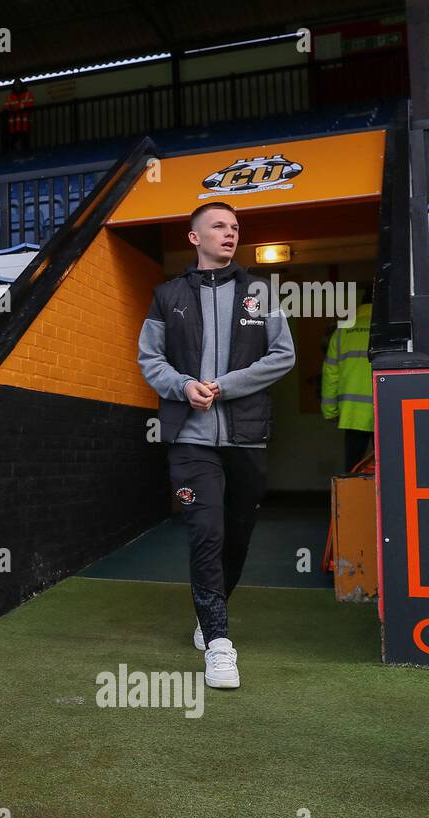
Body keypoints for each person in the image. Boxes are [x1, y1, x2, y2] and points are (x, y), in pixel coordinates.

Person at [136, 201, 296, 690]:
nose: (230, 234)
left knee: (238, 533)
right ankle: (220, 641)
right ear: (195, 238)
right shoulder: (167, 297)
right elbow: (149, 359)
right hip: (189, 436)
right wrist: (184, 386)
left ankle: (210, 614)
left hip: (247, 434)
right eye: (219, 227)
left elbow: (282, 356)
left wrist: (223, 385)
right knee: (205, 529)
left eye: (235, 228)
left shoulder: (260, 293)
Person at [321, 294, 374, 470]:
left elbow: (331, 374)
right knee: (386, 468)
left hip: (352, 414)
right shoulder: (385, 329)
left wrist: (330, 411)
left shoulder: (342, 331)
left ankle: (353, 498)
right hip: (384, 410)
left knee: (353, 469)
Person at [4, 79, 35, 153]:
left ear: (21, 85)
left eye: (18, 84)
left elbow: (31, 105)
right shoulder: (9, 97)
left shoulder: (28, 94)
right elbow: (6, 108)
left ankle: (26, 154)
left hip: (25, 124)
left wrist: (18, 108)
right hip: (14, 125)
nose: (17, 86)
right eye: (15, 85)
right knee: (13, 143)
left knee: (26, 142)